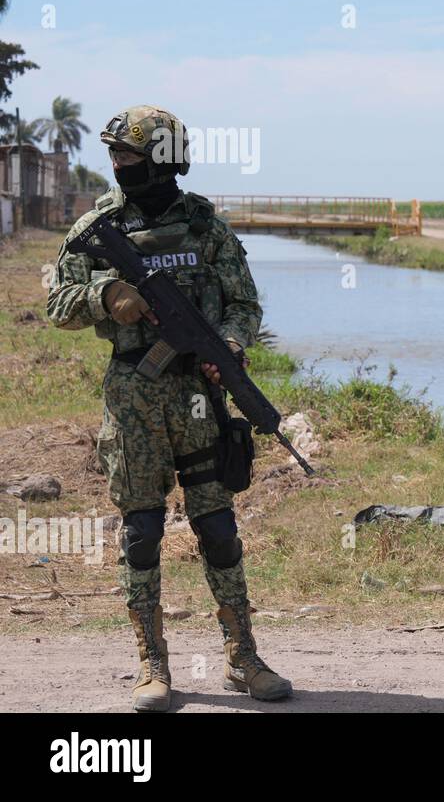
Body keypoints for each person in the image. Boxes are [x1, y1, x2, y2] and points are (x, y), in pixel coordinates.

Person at [46, 105, 291, 711]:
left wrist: (229, 344)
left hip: (199, 397)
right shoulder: (97, 227)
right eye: (114, 155)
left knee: (218, 529)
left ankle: (243, 657)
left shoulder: (205, 226)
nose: (116, 164)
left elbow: (245, 304)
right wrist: (106, 295)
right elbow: (57, 304)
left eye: (127, 154)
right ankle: (152, 665)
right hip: (134, 397)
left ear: (161, 158)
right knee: (142, 532)